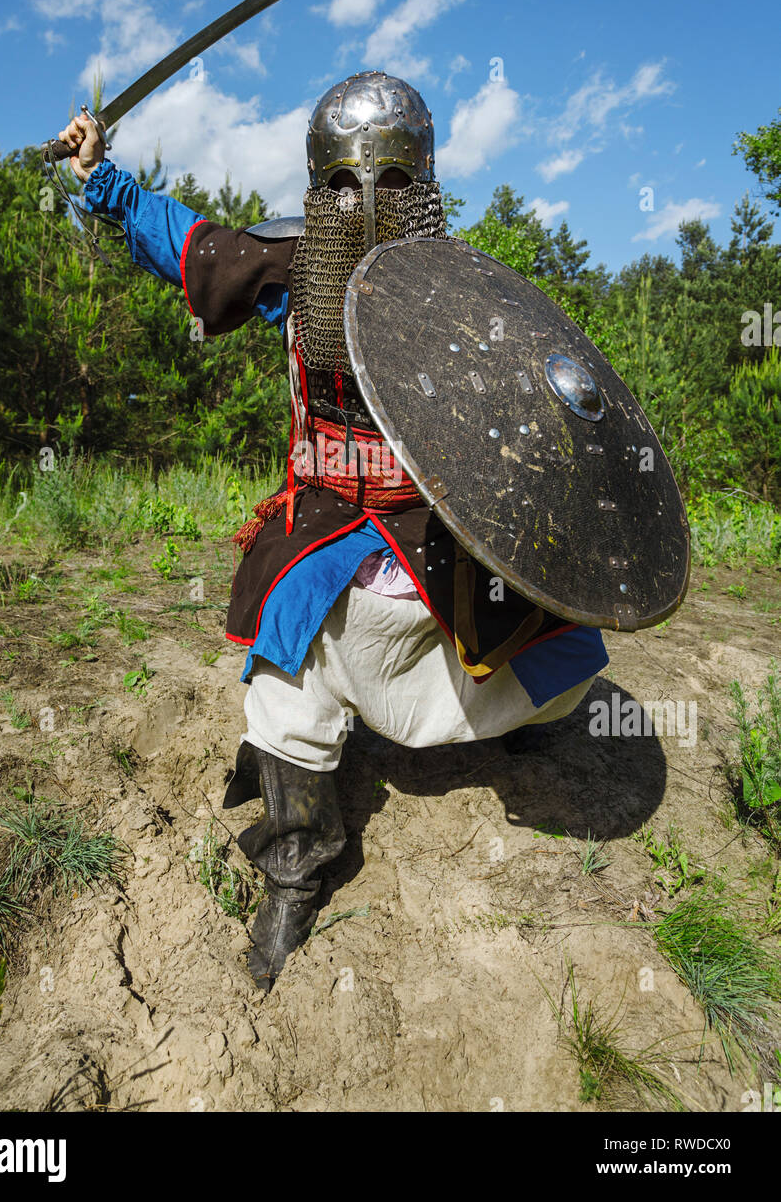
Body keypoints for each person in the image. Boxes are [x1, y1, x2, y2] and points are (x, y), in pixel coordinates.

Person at [57, 71, 607, 991]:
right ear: (320, 184)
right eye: (349, 184)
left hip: (438, 539)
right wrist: (102, 176)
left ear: (422, 186)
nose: (367, 202)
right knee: (289, 654)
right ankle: (299, 865)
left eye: (391, 184)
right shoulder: (291, 266)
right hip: (326, 530)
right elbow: (190, 246)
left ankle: (527, 722)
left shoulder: (471, 298)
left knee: (548, 646)